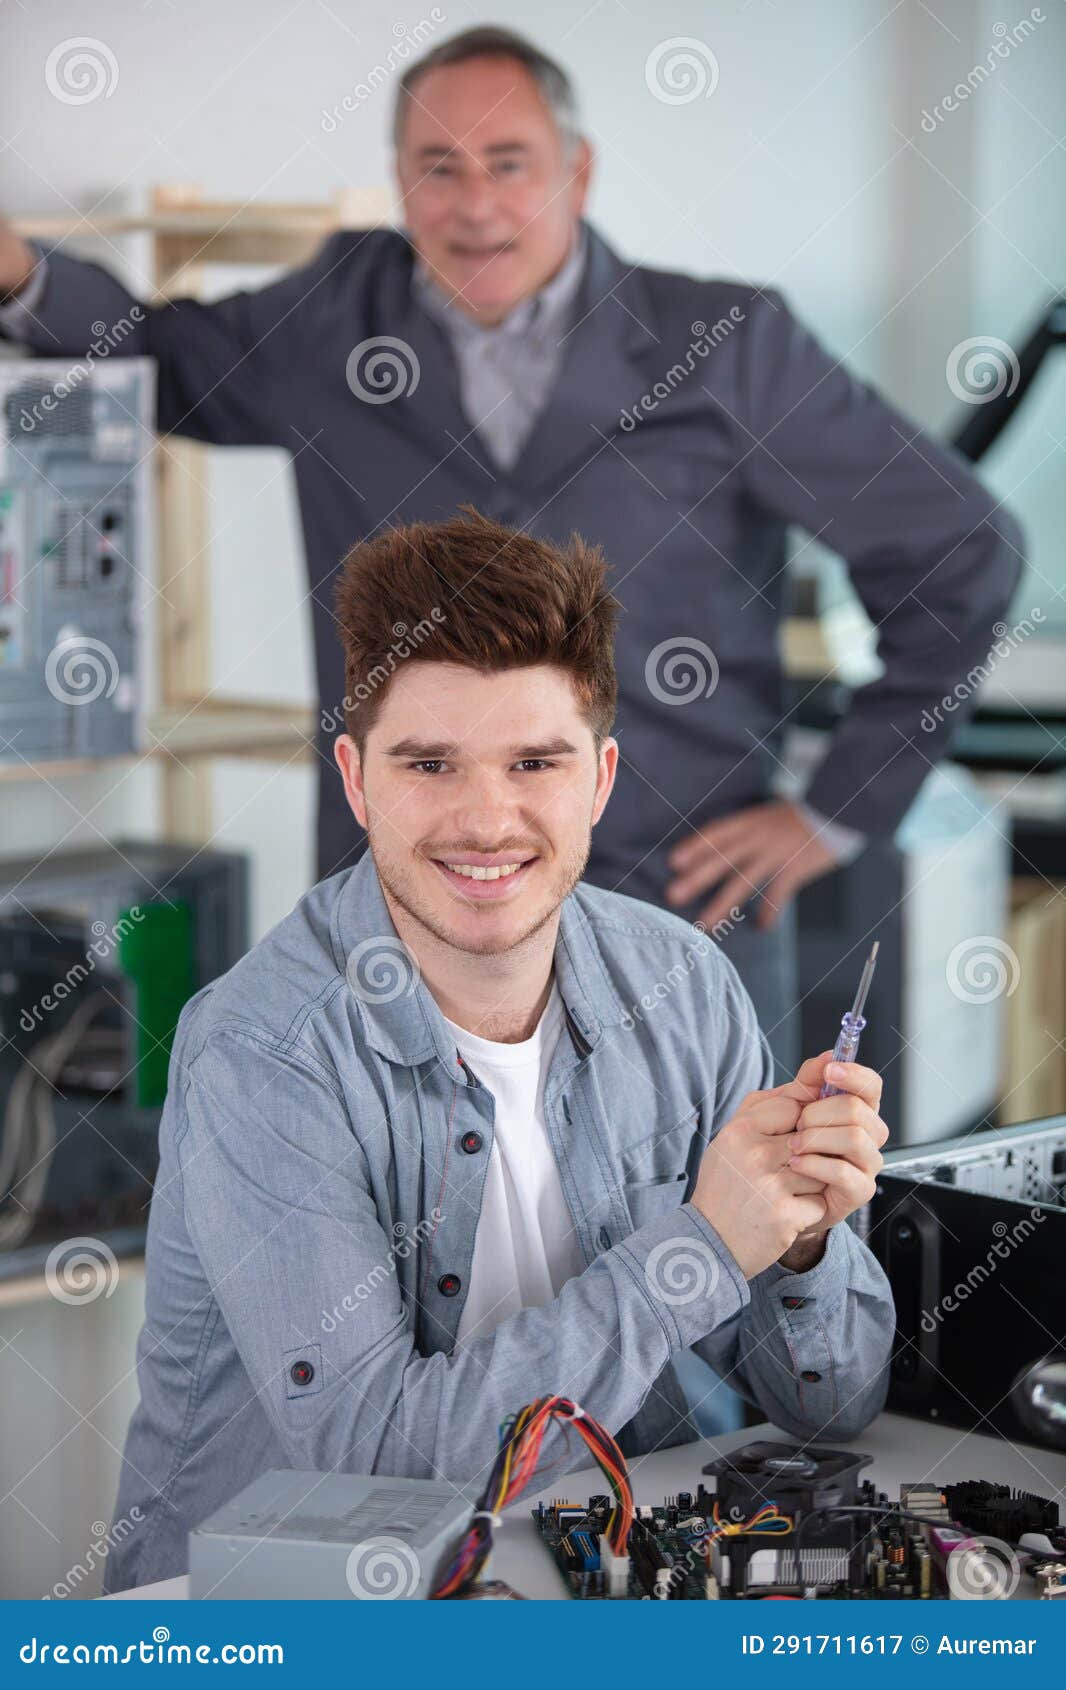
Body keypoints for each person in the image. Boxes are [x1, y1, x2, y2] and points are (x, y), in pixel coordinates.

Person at [0, 25, 1023, 1076]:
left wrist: (835, 812)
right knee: (399, 1226)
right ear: (399, 181)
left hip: (663, 911)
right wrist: (19, 269)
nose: (474, 205)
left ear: (575, 173)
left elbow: (961, 549)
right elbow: (157, 359)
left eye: (508, 164)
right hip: (402, 919)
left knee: (700, 1227)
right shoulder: (333, 321)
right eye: (438, 168)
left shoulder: (724, 347)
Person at [101, 511, 893, 1593]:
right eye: (429, 762)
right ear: (356, 778)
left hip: (576, 1577)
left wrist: (801, 1239)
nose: (486, 818)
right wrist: (705, 1247)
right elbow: (378, 1464)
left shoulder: (685, 986)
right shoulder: (262, 1054)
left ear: (601, 779)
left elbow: (835, 1407)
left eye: (535, 761)